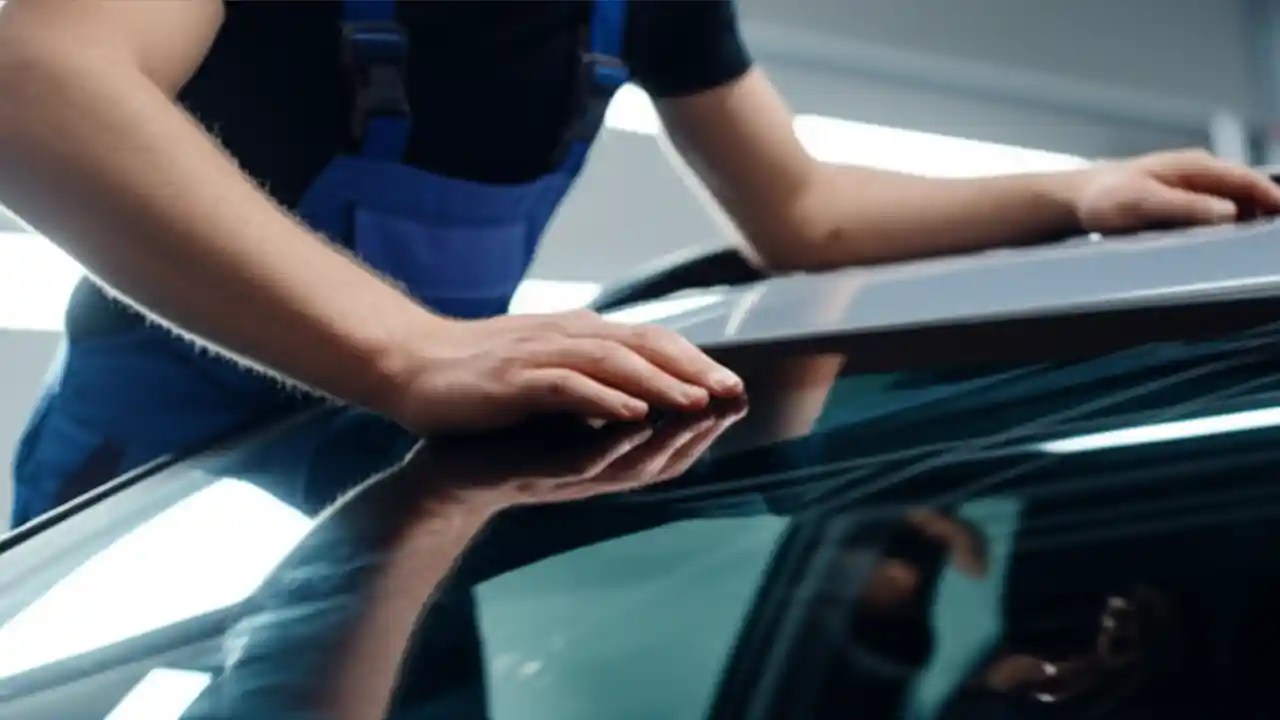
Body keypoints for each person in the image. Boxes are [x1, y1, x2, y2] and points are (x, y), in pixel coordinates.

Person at [0, 0, 1277, 527]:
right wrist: (408, 350)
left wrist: (1076, 192)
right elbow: (30, 76)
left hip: (412, 476)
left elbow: (804, 217)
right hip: (157, 482)